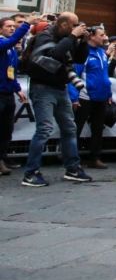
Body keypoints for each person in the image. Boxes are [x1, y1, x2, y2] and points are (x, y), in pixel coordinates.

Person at [22, 12, 93, 187]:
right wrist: (72, 37)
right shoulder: (45, 36)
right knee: (44, 129)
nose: (77, 27)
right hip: (42, 88)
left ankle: (72, 168)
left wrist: (83, 41)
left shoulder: (68, 38)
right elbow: (53, 55)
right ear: (63, 25)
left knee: (69, 128)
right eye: (74, 24)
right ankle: (31, 172)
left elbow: (79, 58)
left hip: (60, 88)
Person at [69, 24, 113, 170]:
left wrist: (109, 93)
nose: (105, 37)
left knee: (98, 128)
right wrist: (74, 97)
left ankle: (94, 158)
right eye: (101, 35)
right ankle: (71, 158)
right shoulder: (84, 52)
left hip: (101, 97)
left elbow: (104, 74)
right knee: (77, 127)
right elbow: (74, 74)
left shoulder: (102, 52)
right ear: (92, 36)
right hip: (85, 97)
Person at [0, 15, 34, 175]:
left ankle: (2, 158)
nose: (12, 28)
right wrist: (27, 24)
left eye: (14, 26)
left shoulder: (11, 50)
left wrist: (17, 88)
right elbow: (11, 40)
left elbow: (10, 72)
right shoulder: (2, 43)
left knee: (6, 129)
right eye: (8, 26)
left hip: (7, 93)